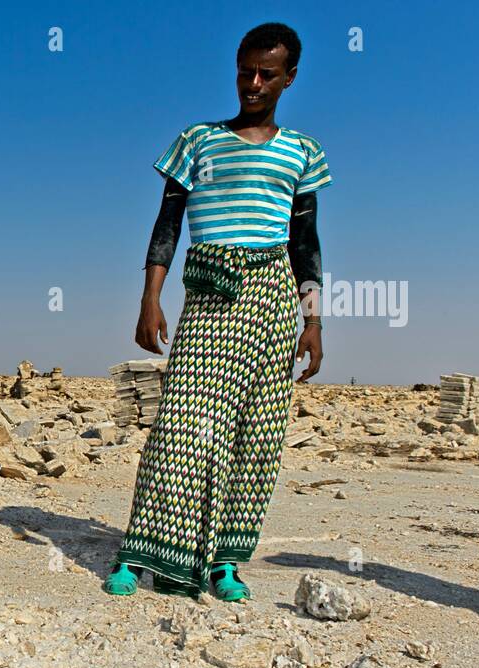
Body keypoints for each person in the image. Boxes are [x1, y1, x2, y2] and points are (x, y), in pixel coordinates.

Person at [106, 22, 331, 601]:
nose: (253, 83)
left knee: (256, 436)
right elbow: (168, 223)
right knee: (183, 428)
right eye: (245, 70)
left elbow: (305, 243)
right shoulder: (198, 140)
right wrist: (150, 298)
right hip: (211, 295)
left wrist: (313, 321)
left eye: (267, 74)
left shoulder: (301, 151)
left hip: (275, 301)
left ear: (289, 78)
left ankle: (224, 563)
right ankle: (141, 552)